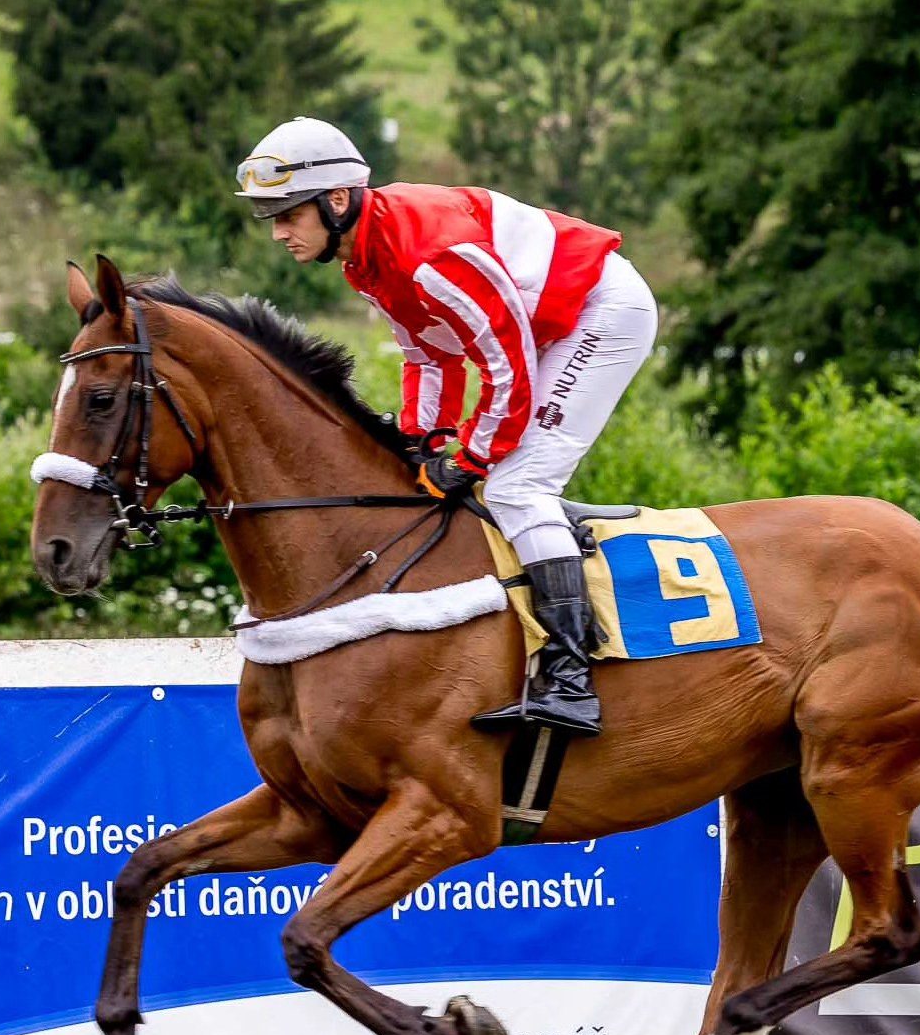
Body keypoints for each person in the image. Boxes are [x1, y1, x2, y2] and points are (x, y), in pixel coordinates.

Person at [235, 117, 659, 737]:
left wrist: (474, 456)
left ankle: (572, 678)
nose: (278, 233)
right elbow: (428, 356)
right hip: (543, 325)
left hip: (600, 313)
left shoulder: (428, 254)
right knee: (470, 474)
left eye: (288, 214)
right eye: (272, 217)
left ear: (336, 200)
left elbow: (504, 358)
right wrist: (420, 442)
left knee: (515, 486)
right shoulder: (367, 258)